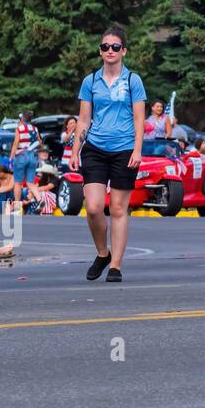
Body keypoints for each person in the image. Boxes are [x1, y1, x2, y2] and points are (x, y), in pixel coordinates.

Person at [71, 24, 147, 284]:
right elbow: (83, 119)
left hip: (125, 149)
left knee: (117, 208)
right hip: (95, 148)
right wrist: (74, 151)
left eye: (115, 47)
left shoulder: (132, 80)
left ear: (123, 51)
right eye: (105, 47)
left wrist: (138, 149)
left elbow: (139, 118)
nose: (110, 51)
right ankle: (102, 253)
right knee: (92, 208)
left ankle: (115, 265)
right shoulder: (90, 81)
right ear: (100, 51)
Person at [8, 111, 41, 212]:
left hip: (21, 156)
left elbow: (15, 143)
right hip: (32, 156)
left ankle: (17, 207)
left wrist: (11, 159)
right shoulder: (35, 129)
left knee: (18, 183)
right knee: (30, 182)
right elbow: (40, 142)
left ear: (22, 119)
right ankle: (39, 199)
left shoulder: (19, 129)